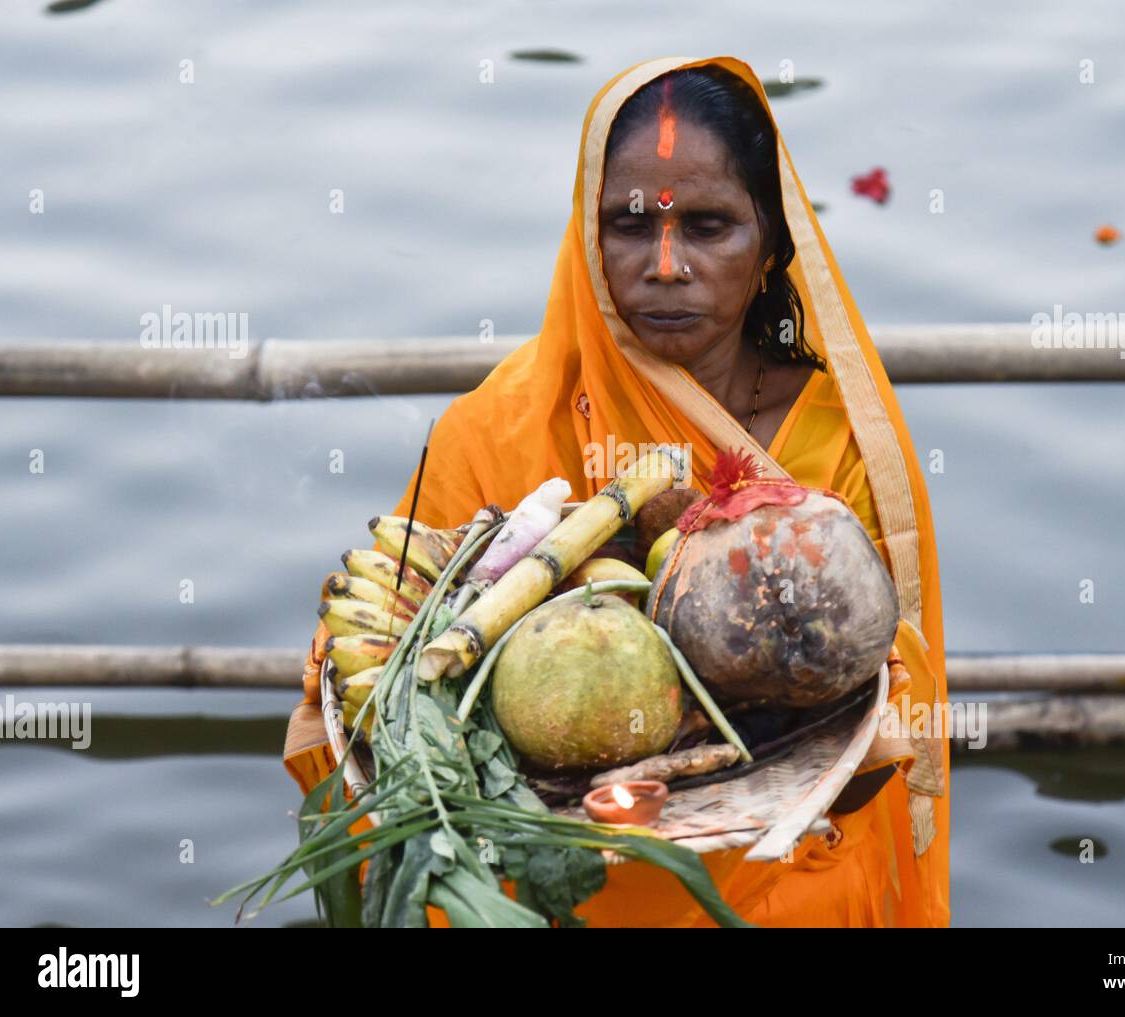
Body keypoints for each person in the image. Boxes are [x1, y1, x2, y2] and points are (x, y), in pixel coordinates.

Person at [282, 55, 949, 928]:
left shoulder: (842, 441)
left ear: (772, 246)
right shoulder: (496, 429)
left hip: (783, 893)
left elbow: (896, 707)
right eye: (629, 225)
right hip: (548, 900)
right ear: (584, 239)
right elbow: (379, 658)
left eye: (709, 225)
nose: (666, 264)